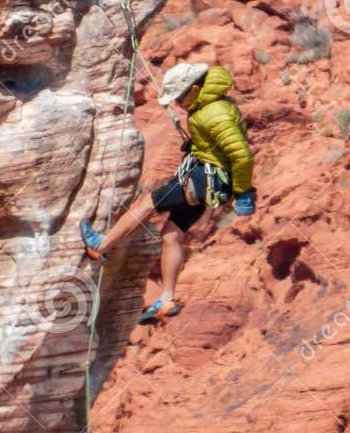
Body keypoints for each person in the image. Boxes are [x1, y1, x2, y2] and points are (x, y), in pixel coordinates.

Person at [81, 62, 255, 322]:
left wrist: (244, 193)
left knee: (148, 203)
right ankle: (166, 299)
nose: (177, 104)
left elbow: (242, 156)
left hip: (205, 179)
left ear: (194, 89)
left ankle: (101, 246)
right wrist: (198, 146)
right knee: (171, 234)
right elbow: (222, 146)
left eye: (179, 98)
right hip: (213, 181)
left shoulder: (214, 112)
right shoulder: (210, 105)